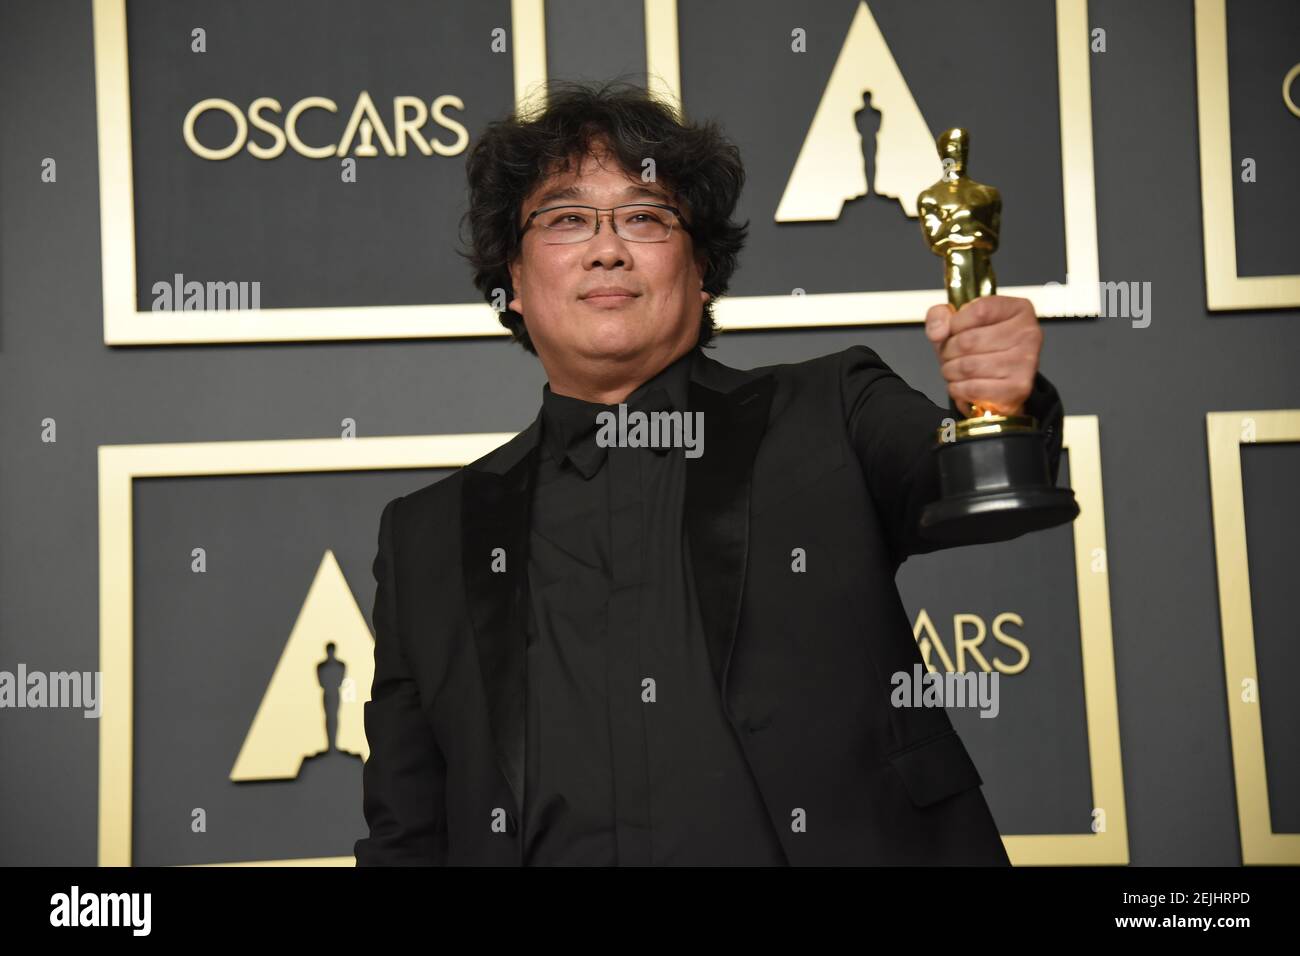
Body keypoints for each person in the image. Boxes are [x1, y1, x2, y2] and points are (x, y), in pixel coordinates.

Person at [354, 80, 1063, 866]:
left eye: (646, 216)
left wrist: (998, 405)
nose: (607, 247)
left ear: (702, 272)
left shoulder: (832, 409)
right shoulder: (425, 534)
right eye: (564, 219)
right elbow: (407, 835)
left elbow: (969, 484)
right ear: (513, 282)